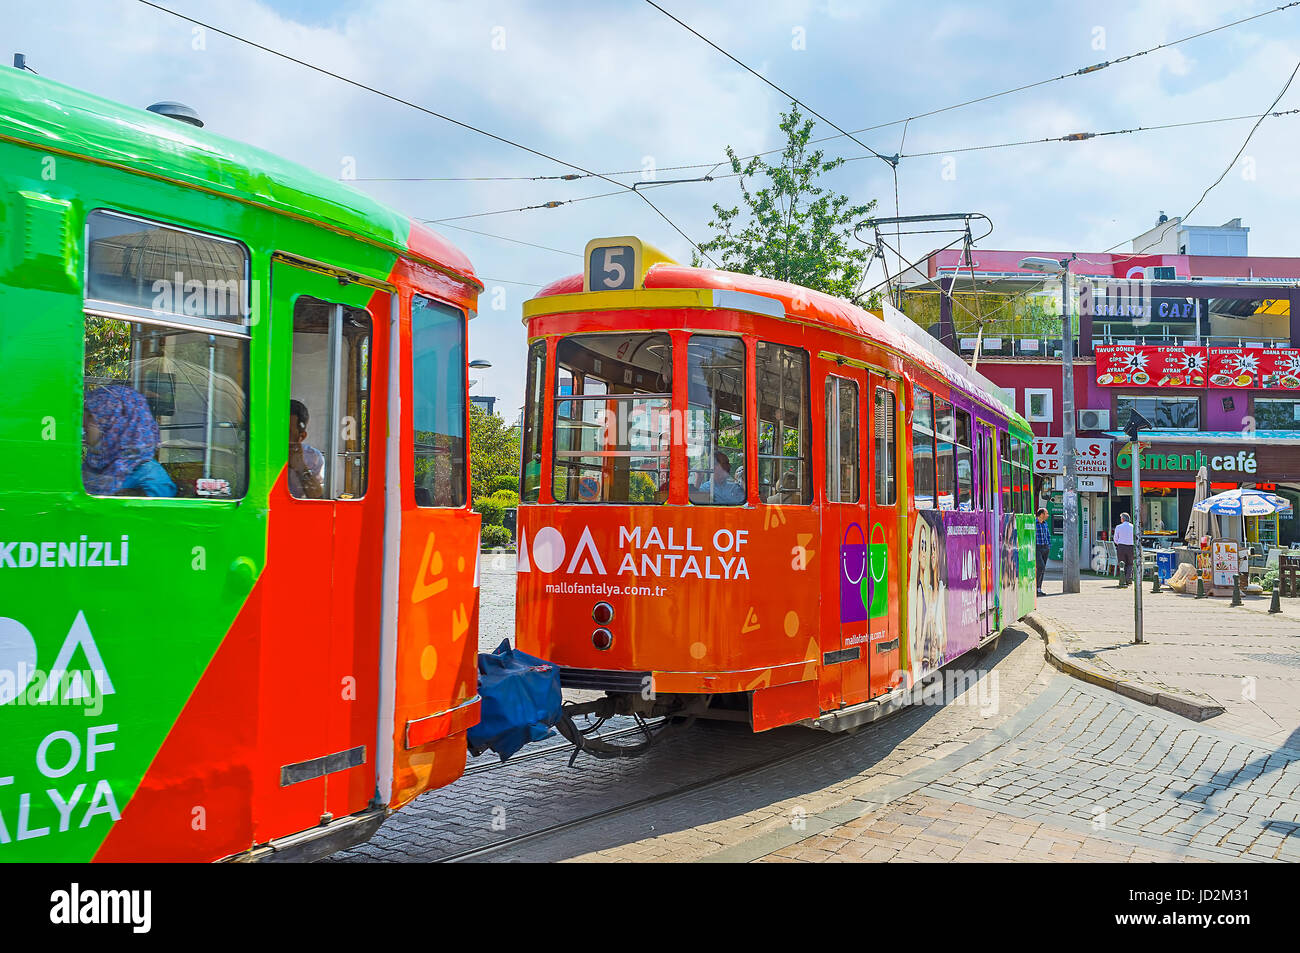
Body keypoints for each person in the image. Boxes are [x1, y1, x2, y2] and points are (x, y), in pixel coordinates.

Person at [83, 384, 177, 497]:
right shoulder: (94, 464)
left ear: (116, 423)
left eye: (91, 417)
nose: (84, 424)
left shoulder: (150, 477)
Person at [288, 399, 325, 499]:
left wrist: (301, 467)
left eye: (287, 432)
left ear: (301, 436)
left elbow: (318, 498)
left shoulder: (313, 458)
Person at [1113, 512, 1135, 584]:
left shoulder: (1118, 527)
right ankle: (1128, 578)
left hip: (1121, 546)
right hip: (1131, 547)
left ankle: (1122, 579)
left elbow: (1115, 539)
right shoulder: (1133, 527)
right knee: (1130, 563)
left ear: (1122, 519)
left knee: (1122, 563)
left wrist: (1118, 543)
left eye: (1121, 518)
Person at [1035, 508, 1051, 596]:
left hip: (1045, 548)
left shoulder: (1045, 524)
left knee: (1043, 569)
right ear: (1041, 514)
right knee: (1040, 566)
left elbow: (1048, 535)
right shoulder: (1033, 523)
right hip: (1037, 547)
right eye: (1046, 513)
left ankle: (1039, 588)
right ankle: (1035, 587)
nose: (1048, 515)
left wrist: (1049, 545)